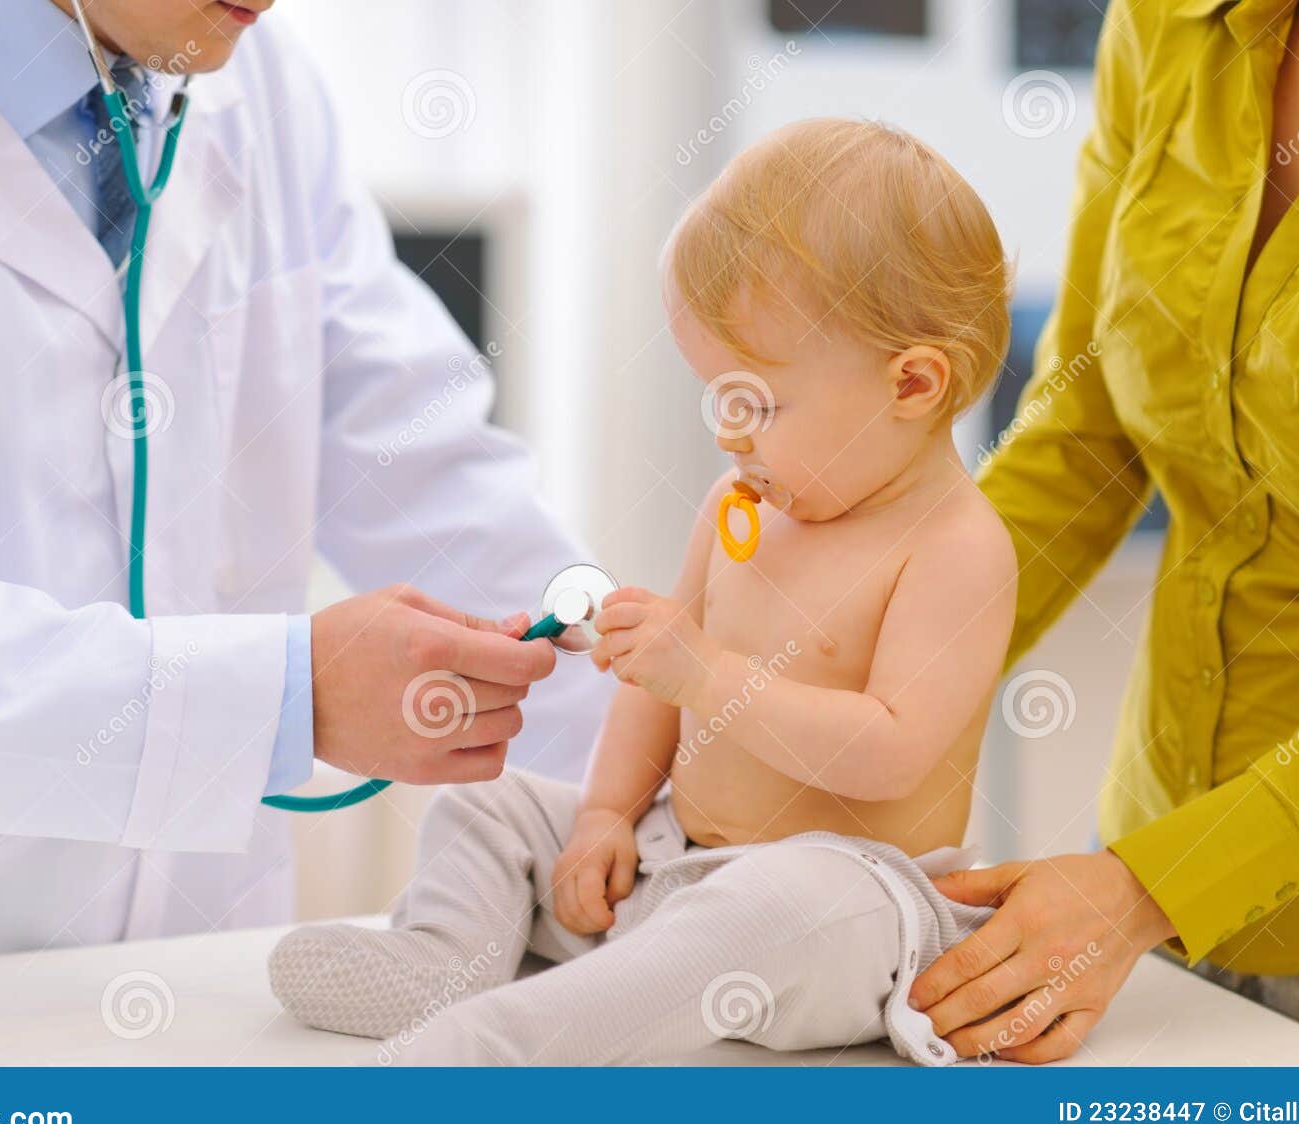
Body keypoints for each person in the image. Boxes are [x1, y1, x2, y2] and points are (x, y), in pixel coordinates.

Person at [0, 0, 609, 971]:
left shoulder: (253, 87)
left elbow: (431, 478)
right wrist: (284, 697)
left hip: (204, 987)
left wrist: (692, 752)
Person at [267, 119, 1018, 1065]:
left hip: (845, 899)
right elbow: (649, 695)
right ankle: (444, 959)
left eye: (757, 403)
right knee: (493, 807)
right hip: (672, 857)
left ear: (910, 383)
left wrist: (710, 674)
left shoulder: (955, 550)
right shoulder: (741, 504)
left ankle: (513, 1037)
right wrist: (603, 818)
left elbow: (892, 754)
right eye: (717, 399)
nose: (730, 436)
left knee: (776, 910)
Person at [912, 0, 1299, 1059]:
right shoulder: (1172, 22)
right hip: (1136, 864)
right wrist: (843, 670)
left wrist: (1158, 882)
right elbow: (1082, 436)